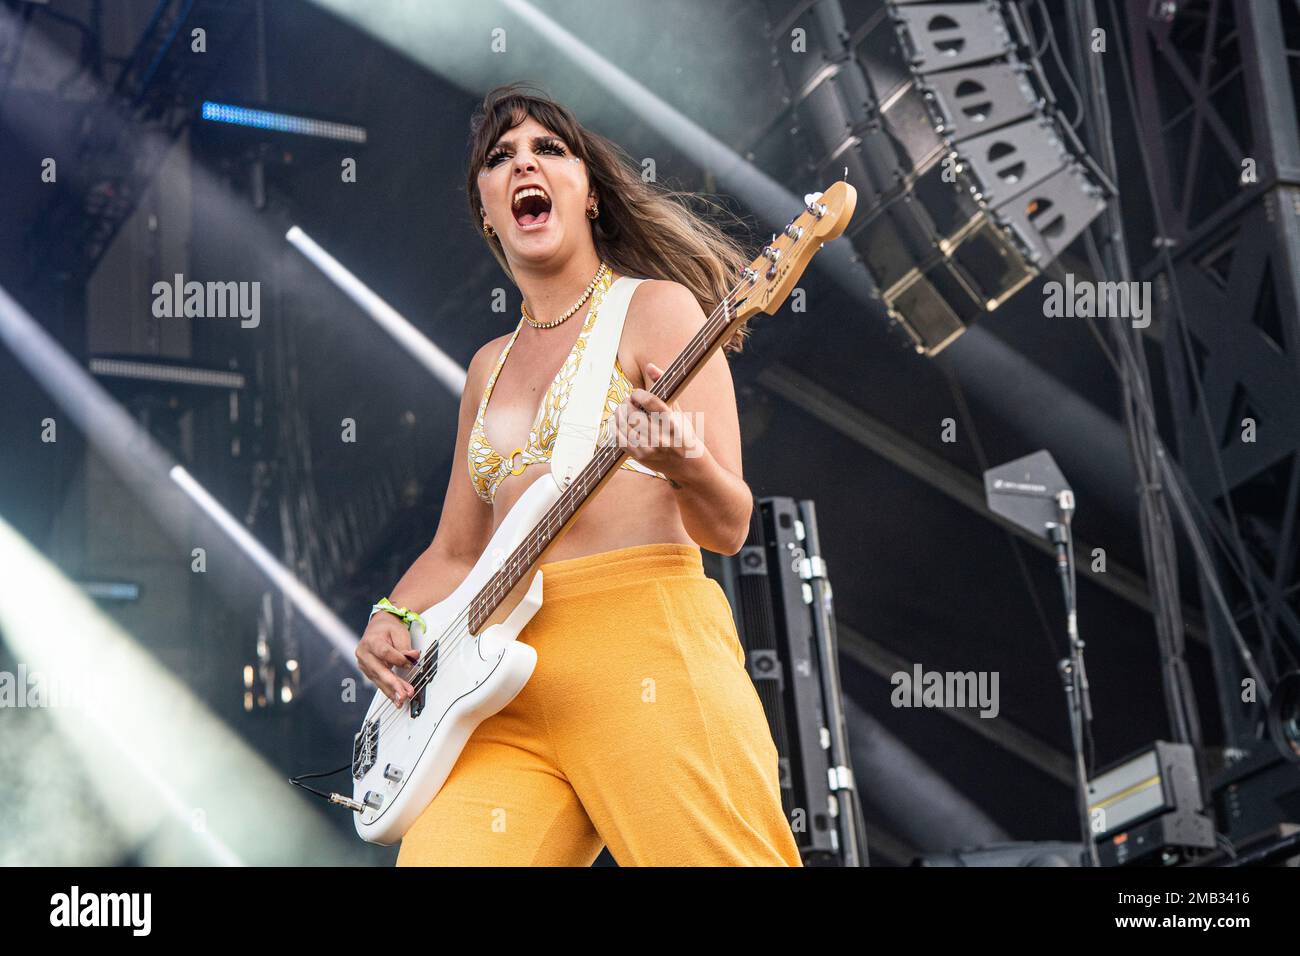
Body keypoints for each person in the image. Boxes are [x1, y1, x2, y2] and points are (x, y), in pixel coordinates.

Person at [355, 82, 801, 867]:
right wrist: (392, 613)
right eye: (501, 159)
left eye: (548, 150)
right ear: (488, 211)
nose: (524, 163)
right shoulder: (486, 368)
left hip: (643, 647)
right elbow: (457, 553)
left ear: (588, 194)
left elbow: (728, 524)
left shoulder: (658, 309)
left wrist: (682, 461)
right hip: (497, 688)